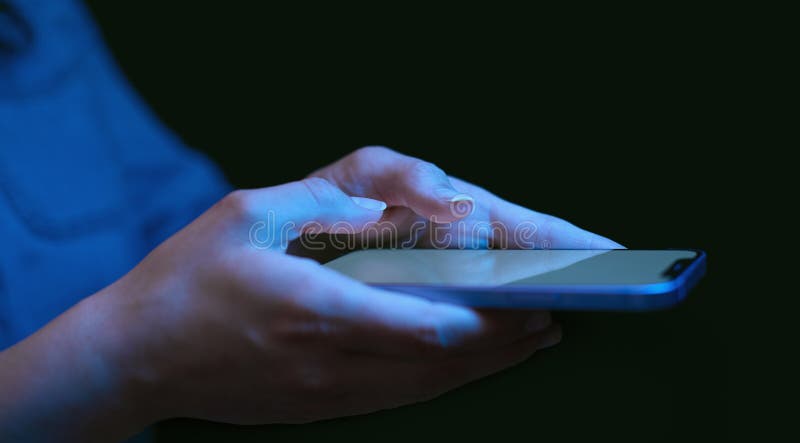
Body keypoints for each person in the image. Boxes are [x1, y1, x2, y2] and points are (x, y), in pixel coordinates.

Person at [0, 1, 620, 441]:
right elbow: (147, 311)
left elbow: (166, 231)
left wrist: (306, 245)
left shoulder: (38, 18)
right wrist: (117, 362)